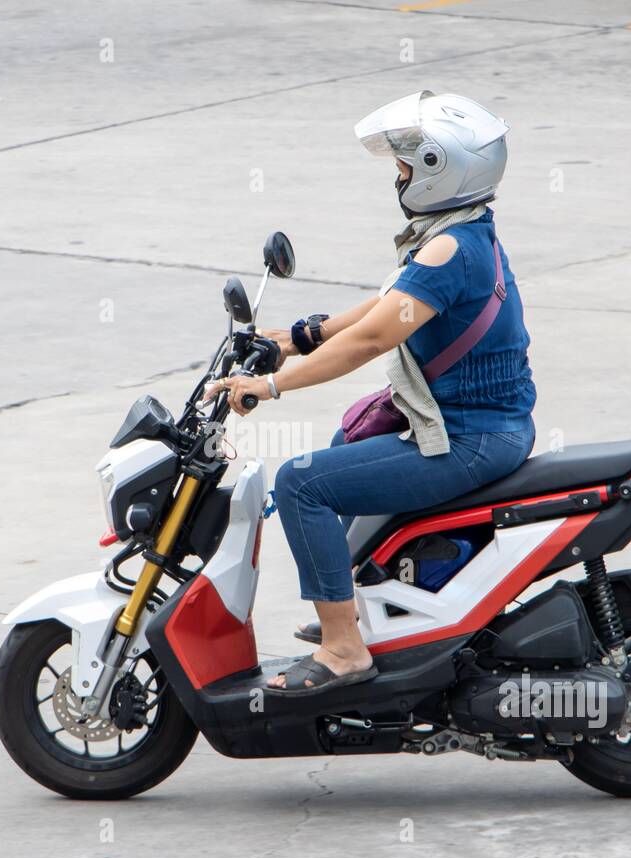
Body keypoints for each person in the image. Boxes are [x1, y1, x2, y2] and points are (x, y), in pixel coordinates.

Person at [212, 91, 537, 694]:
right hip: (488, 426)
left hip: (470, 438)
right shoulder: (462, 233)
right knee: (349, 438)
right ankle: (367, 609)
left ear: (442, 169)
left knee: (302, 482)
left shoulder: (449, 248)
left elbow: (370, 340)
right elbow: (387, 305)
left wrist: (271, 384)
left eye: (408, 164)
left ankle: (343, 648)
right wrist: (299, 336)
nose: (400, 174)